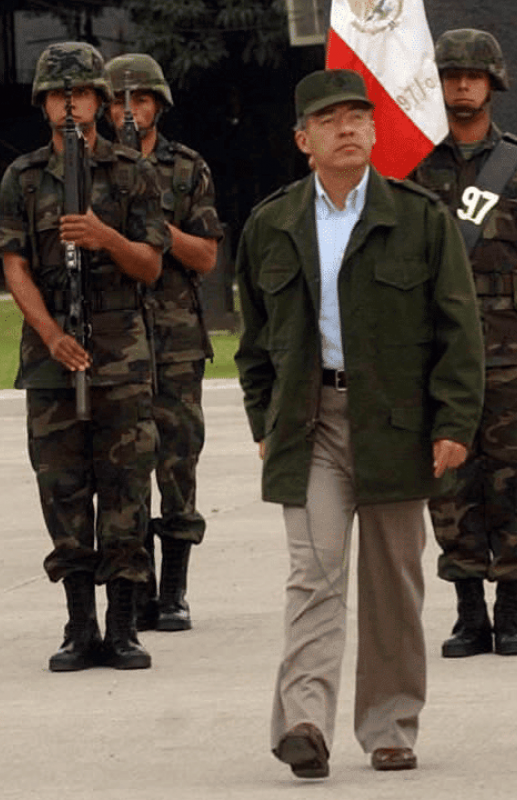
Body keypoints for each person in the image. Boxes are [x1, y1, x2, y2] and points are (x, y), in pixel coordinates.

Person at [234, 69, 484, 778]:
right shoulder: (272, 224)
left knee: (392, 583)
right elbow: (253, 344)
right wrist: (264, 418)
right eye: (330, 119)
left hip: (397, 426)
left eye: (358, 117)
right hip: (308, 426)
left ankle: (390, 725)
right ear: (303, 139)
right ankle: (305, 722)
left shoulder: (420, 217)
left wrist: (454, 422)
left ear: (375, 131)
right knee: (313, 575)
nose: (348, 128)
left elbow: (458, 332)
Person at [411, 28, 517, 658]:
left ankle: (510, 611)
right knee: (450, 481)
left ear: (492, 84)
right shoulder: (414, 166)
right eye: (452, 76)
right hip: (439, 354)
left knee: (511, 477)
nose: (462, 85)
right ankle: (467, 614)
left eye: (473, 77)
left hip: (511, 351)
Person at [0, 42, 167, 671]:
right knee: (62, 489)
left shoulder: (132, 172)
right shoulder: (22, 176)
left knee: (126, 487)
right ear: (43, 102)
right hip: (52, 356)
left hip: (121, 354)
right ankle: (78, 625)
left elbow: (150, 264)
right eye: (56, 94)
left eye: (79, 93)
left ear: (99, 99)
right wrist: (49, 334)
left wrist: (104, 236)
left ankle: (122, 627)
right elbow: (14, 263)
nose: (68, 103)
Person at [104, 53, 222, 632]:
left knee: (178, 463)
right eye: (119, 101)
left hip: (175, 339)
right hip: (115, 338)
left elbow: (205, 255)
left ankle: (174, 591)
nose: (130, 111)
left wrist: (156, 229)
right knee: (125, 464)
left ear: (158, 104)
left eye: (140, 100)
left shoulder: (186, 167)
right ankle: (137, 589)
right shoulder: (93, 170)